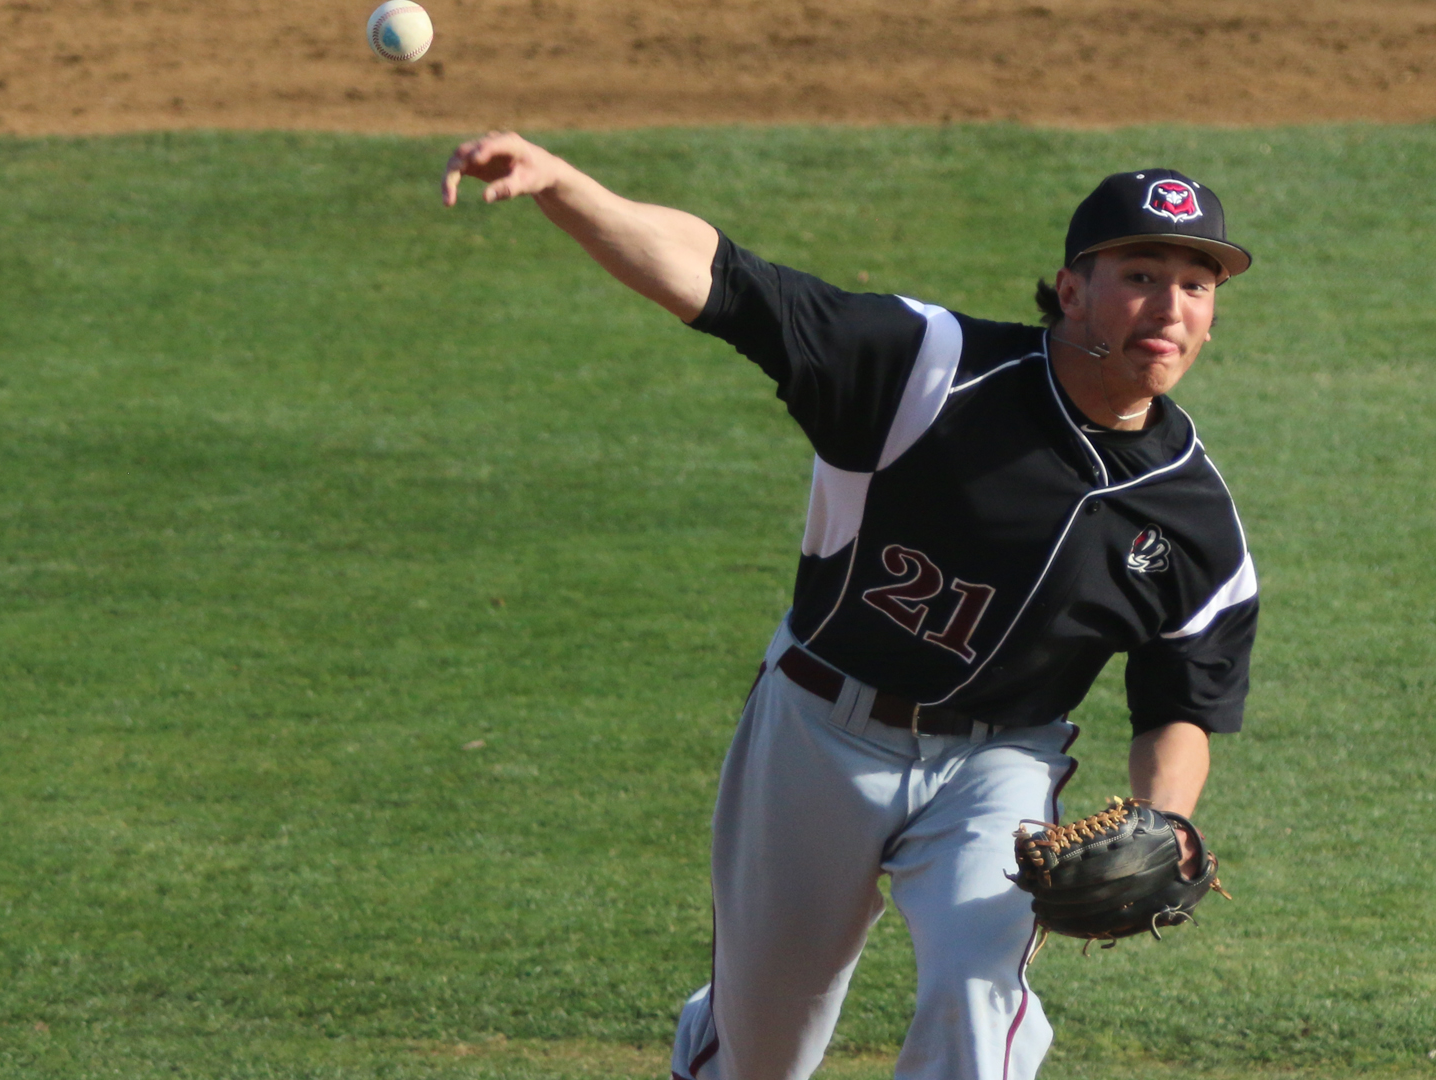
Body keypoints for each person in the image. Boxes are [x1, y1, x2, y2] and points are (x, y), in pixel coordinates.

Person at [442, 134, 1258, 1080]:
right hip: (818, 732)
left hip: (996, 766)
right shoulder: (929, 368)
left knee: (977, 1001)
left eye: (1196, 286)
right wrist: (571, 189)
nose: (1168, 307)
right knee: (764, 1053)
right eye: (1141, 273)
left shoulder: (1198, 524)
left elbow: (1182, 703)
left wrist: (1166, 821)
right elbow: (725, 281)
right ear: (1072, 289)